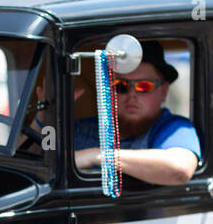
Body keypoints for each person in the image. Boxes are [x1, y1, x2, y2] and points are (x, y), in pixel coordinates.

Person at [74, 40, 201, 185]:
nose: (132, 95)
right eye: (120, 86)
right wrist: (45, 114)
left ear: (164, 91)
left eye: (144, 86)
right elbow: (44, 159)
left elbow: (179, 170)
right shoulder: (80, 128)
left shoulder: (174, 128)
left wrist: (96, 155)